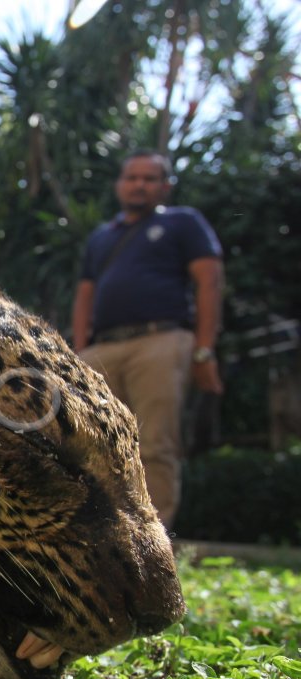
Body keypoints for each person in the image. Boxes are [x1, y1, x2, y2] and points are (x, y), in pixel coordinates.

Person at [71, 149, 223, 528]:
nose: (139, 184)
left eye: (149, 178)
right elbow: (86, 293)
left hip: (162, 340)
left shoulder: (182, 223)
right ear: (119, 184)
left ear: (165, 186)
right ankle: (104, 535)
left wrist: (204, 350)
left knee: (155, 442)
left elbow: (210, 281)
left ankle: (155, 538)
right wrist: (79, 351)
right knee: (92, 444)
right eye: (132, 177)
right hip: (102, 347)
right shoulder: (101, 237)